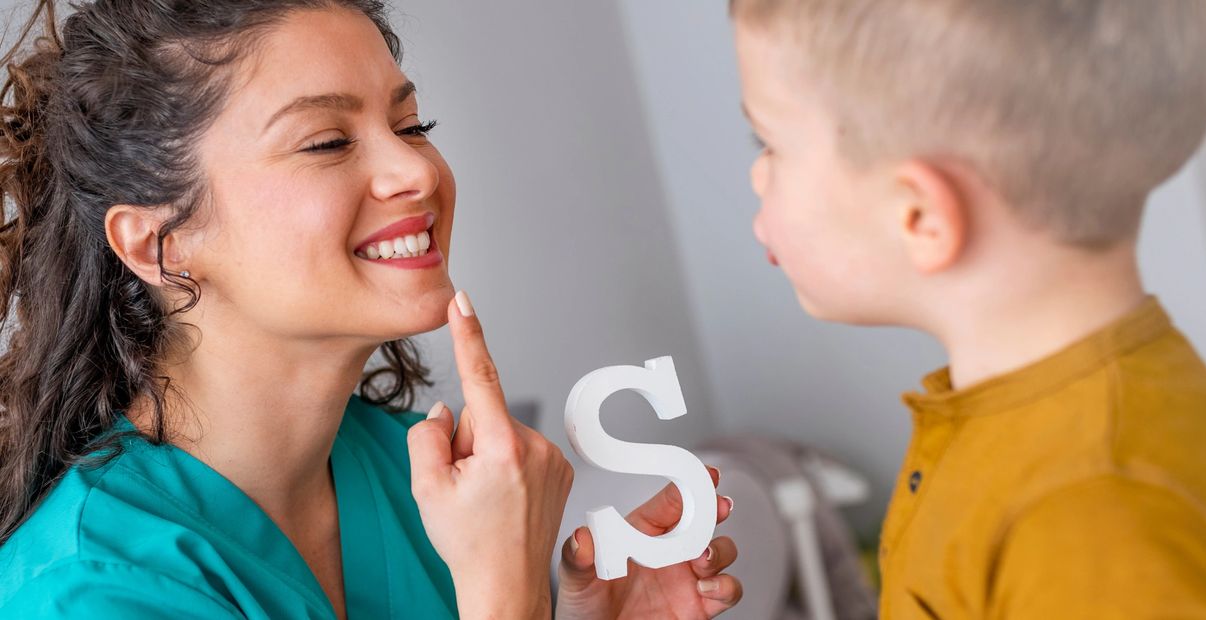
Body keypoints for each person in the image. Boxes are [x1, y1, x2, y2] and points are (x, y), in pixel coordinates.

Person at [0, 1, 741, 617]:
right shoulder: (87, 590)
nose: (416, 169)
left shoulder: (420, 476)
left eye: (412, 126)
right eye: (326, 142)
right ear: (159, 244)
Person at [728, 0, 1206, 617]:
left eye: (769, 144)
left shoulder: (1091, 521)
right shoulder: (1054, 433)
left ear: (919, 215)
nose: (758, 177)